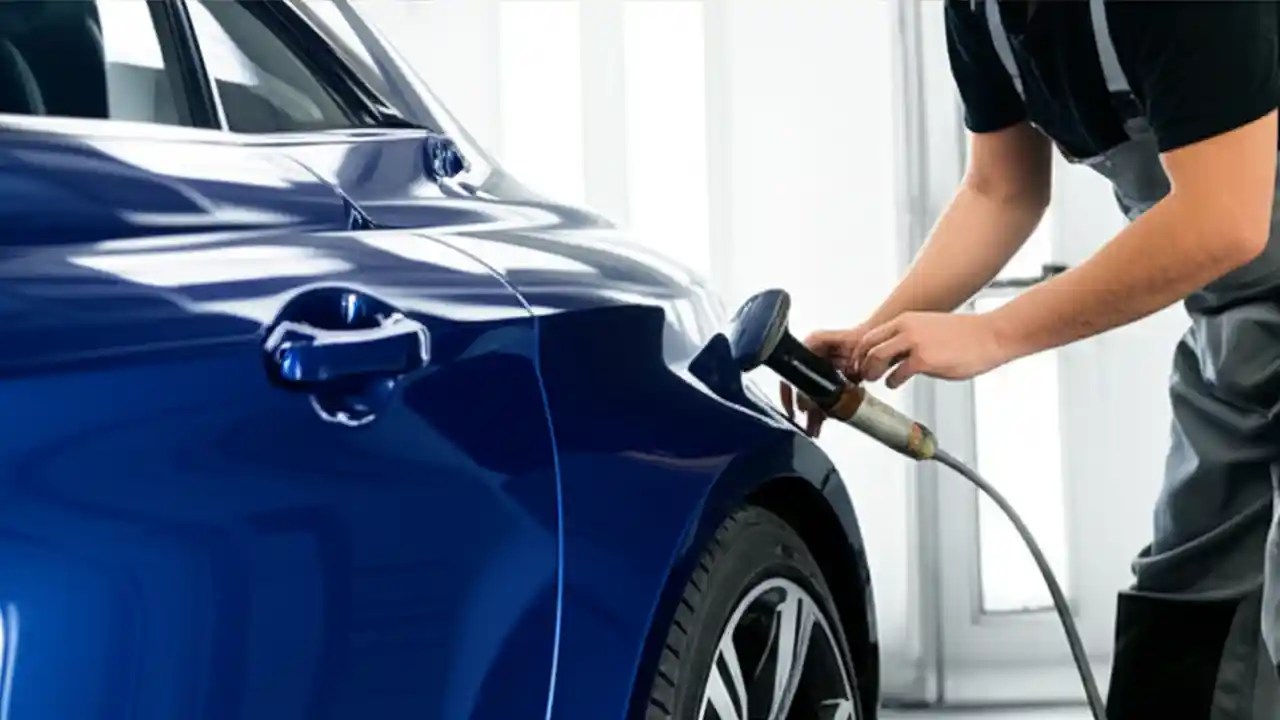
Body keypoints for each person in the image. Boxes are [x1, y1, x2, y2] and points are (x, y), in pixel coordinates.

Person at [782, 1, 1280, 717]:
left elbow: (1224, 219)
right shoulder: (979, 15)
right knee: (1186, 609)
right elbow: (1001, 190)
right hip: (1234, 328)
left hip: (1239, 276)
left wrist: (991, 335)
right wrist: (874, 336)